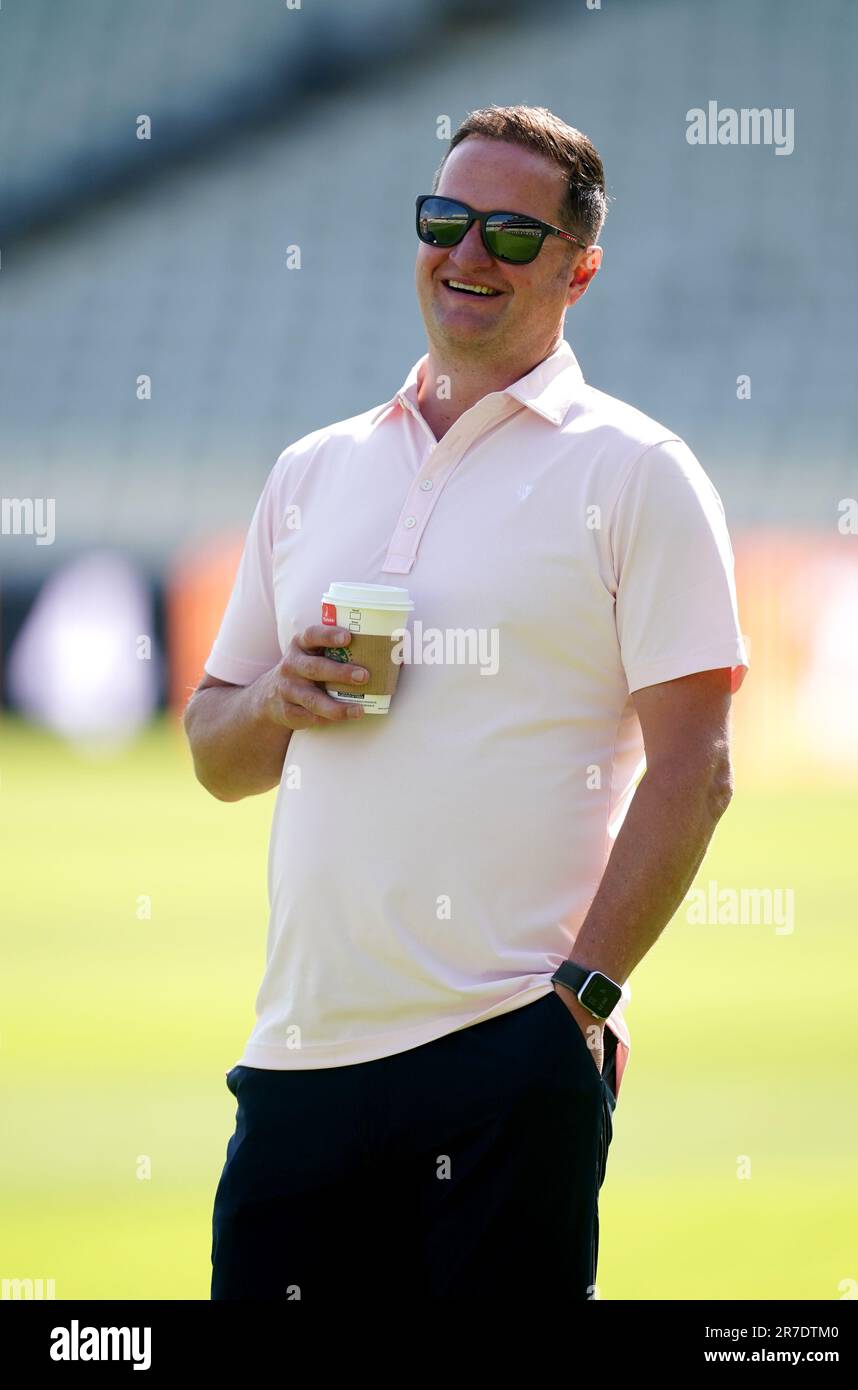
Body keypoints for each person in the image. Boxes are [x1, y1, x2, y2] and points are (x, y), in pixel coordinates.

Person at [185, 104, 749, 1302]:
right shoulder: (313, 467)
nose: (467, 253)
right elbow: (217, 754)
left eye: (509, 231)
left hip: (510, 1049)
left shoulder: (637, 470)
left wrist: (579, 1008)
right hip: (296, 1056)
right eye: (444, 219)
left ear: (577, 270)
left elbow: (696, 765)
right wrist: (279, 698)